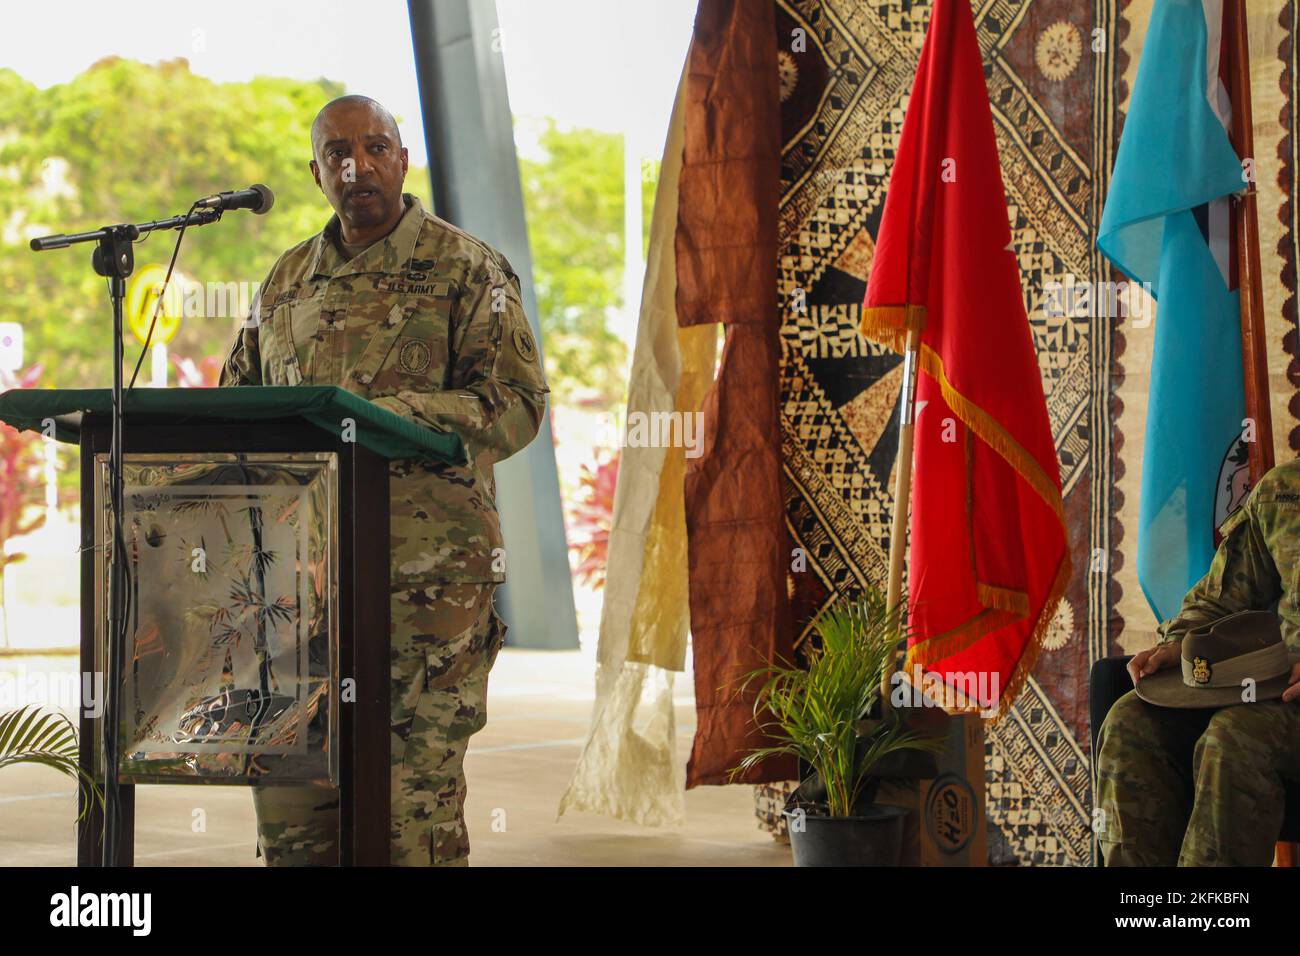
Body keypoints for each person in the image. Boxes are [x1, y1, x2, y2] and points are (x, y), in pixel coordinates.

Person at [220, 94, 549, 865]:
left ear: (402, 160)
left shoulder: (466, 267)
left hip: (424, 593)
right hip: (296, 594)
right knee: (294, 819)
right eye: (337, 153)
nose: (356, 166)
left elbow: (515, 404)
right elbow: (239, 400)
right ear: (316, 173)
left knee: (410, 821)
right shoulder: (286, 280)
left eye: (374, 148)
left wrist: (387, 414)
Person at [1094, 459, 1300, 866]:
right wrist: (1177, 643)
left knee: (1233, 739)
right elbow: (1221, 598)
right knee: (1131, 722)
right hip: (1270, 686)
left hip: (1277, 714)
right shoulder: (1285, 490)